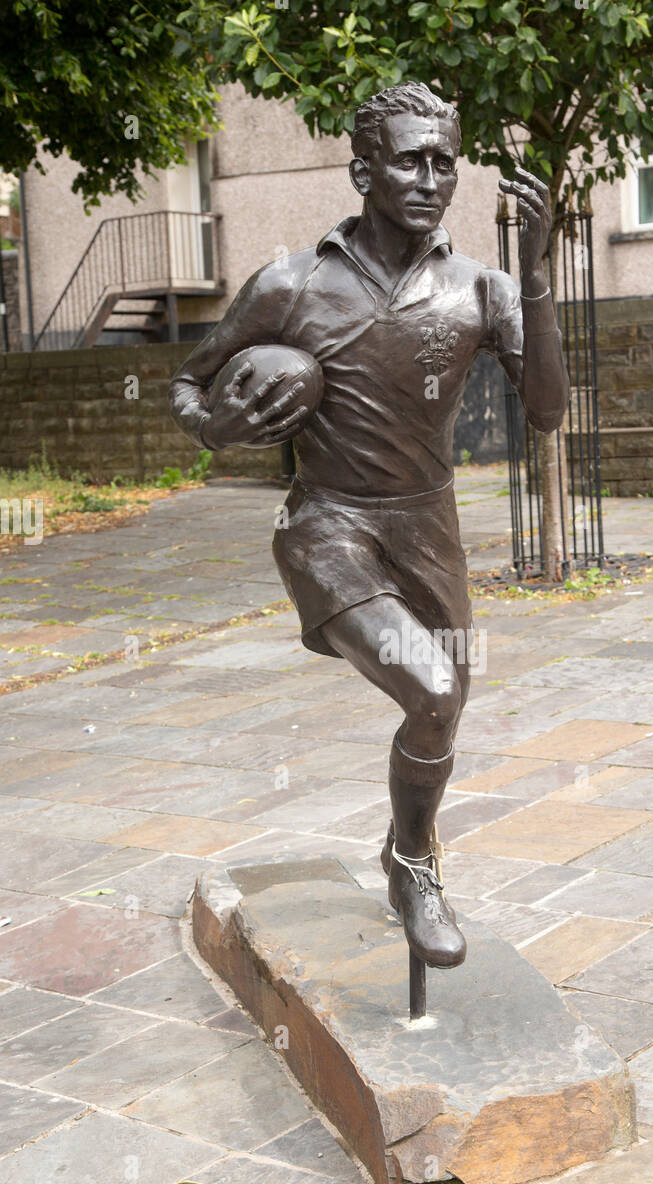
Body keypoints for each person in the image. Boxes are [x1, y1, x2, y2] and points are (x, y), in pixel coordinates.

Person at [169, 81, 568, 974]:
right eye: (409, 160)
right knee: (429, 689)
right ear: (362, 169)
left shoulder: (481, 288)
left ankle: (403, 851)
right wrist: (221, 428)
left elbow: (545, 412)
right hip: (328, 524)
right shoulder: (292, 283)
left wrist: (535, 276)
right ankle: (420, 872)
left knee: (445, 709)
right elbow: (188, 388)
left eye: (444, 163)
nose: (430, 179)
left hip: (429, 524)